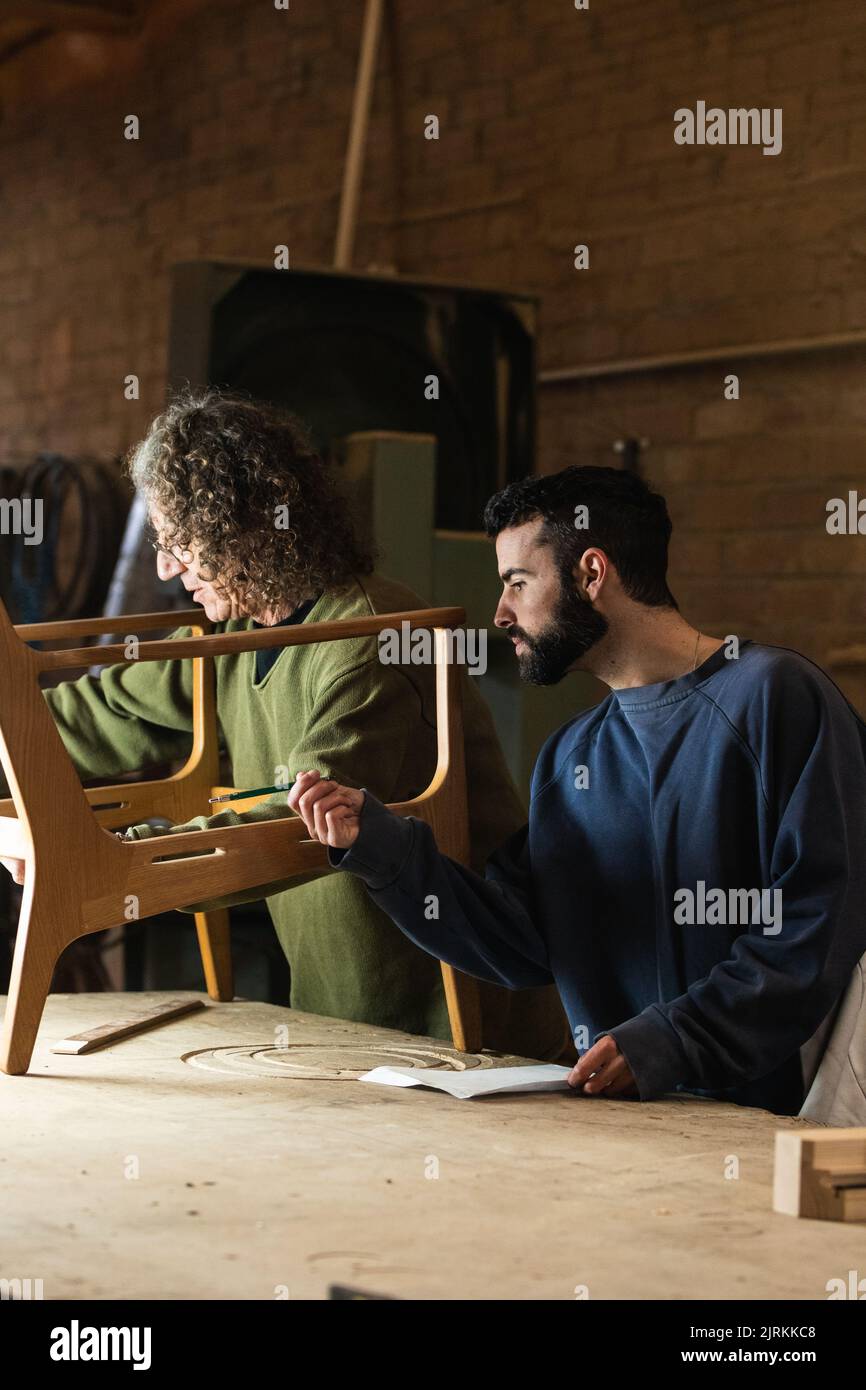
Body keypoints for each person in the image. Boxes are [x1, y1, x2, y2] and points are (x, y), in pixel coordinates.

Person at [0, 388, 571, 1061]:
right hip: (342, 1028)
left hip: (462, 1040)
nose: (163, 566)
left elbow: (295, 820)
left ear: (244, 530)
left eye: (180, 542)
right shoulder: (238, 636)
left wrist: (113, 861)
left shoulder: (372, 640)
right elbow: (101, 712)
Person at [286, 465, 866, 1113]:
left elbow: (821, 919)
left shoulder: (775, 697)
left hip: (778, 1135)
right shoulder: (571, 757)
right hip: (624, 1134)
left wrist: (671, 1041)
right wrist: (380, 846)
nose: (501, 614)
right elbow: (518, 942)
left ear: (592, 574)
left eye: (517, 583)